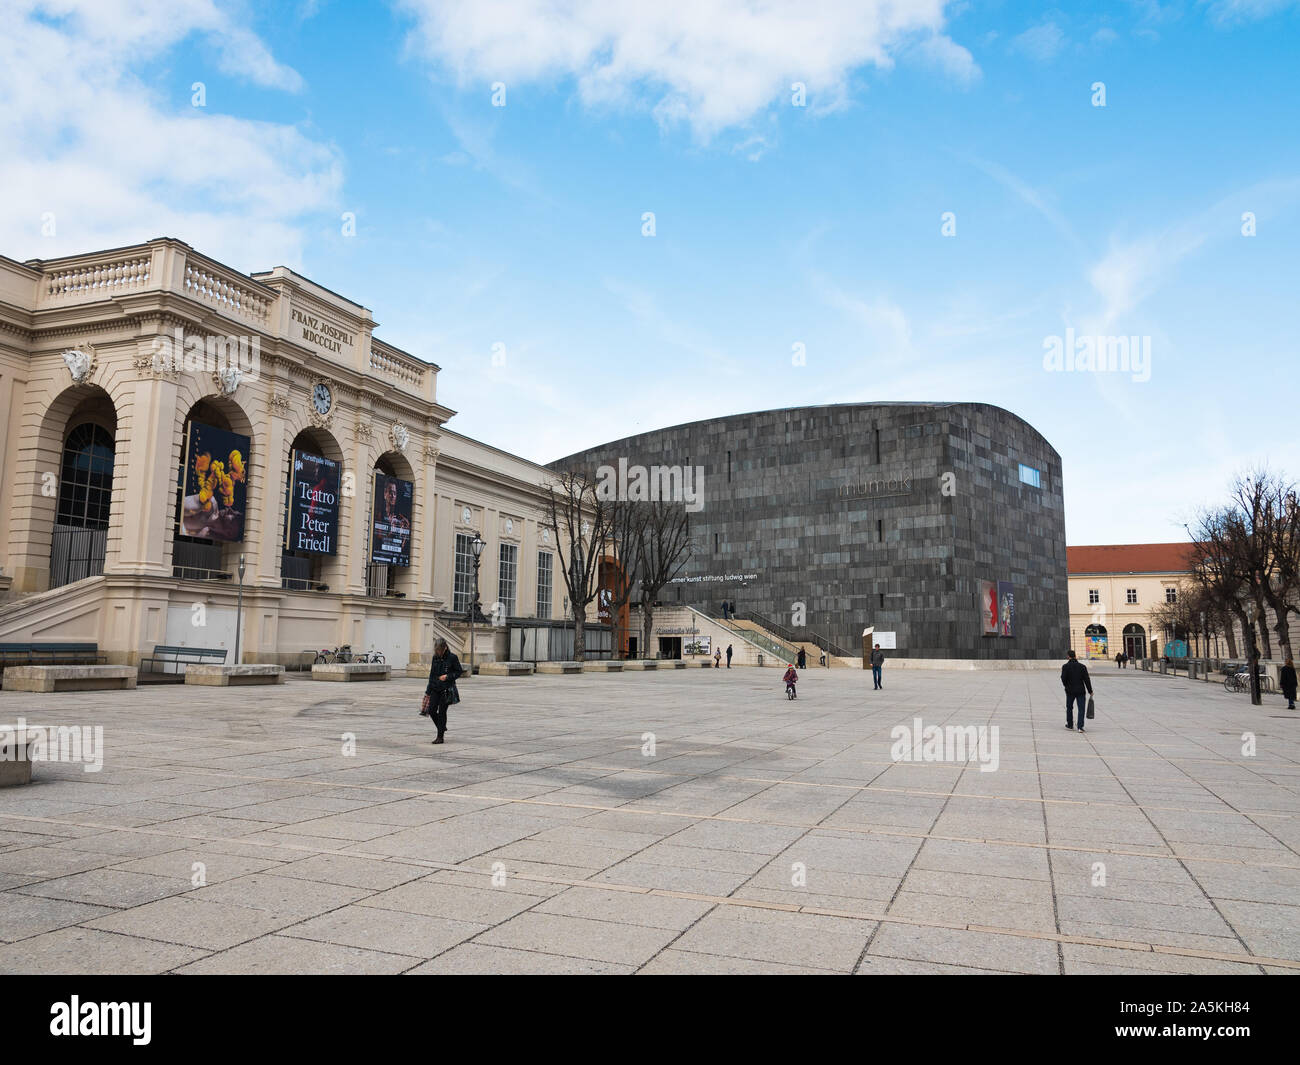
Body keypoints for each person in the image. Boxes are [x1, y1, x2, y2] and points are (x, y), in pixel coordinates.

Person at [421, 637, 462, 745]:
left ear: (445, 648)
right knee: (431, 710)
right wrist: (428, 691)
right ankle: (442, 726)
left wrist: (448, 676)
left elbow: (458, 672)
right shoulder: (435, 658)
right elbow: (432, 674)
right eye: (436, 650)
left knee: (443, 711)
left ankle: (440, 736)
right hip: (435, 687)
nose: (438, 652)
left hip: (446, 689)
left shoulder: (453, 657)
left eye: (439, 650)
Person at [1061, 649, 1093, 732]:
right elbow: (1087, 679)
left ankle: (1070, 724)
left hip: (1070, 691)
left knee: (1069, 707)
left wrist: (1066, 686)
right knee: (1081, 708)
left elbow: (1063, 678)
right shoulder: (1082, 667)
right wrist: (1090, 691)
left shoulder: (1065, 666)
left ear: (1068, 656)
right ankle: (1080, 727)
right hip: (1080, 691)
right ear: (1075, 656)